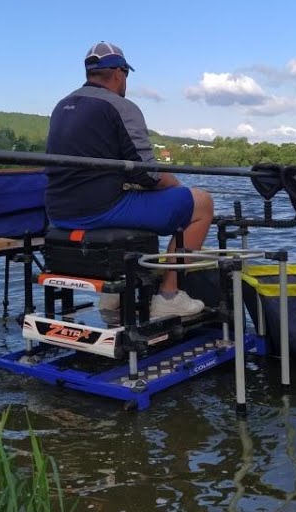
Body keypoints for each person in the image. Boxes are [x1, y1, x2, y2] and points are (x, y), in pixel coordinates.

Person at [45, 41, 214, 319]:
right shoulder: (121, 106)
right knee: (201, 204)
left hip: (58, 212)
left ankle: (112, 297)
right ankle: (168, 296)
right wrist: (175, 187)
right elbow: (147, 172)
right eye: (126, 75)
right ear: (119, 73)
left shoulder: (61, 106)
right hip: (100, 211)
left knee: (137, 200)